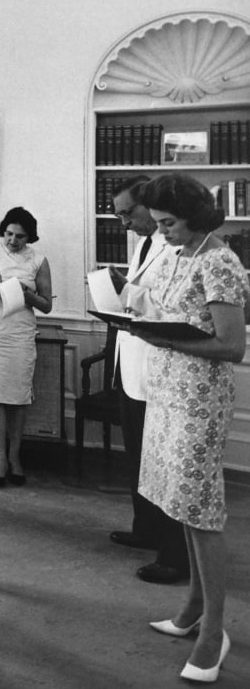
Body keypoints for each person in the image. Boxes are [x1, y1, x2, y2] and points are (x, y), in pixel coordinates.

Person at [129, 174, 247, 682]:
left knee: (200, 511)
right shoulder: (177, 254)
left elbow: (231, 346)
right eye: (156, 224)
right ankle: (194, 606)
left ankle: (214, 631)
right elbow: (169, 311)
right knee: (179, 501)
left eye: (168, 224)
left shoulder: (220, 261)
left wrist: (168, 341)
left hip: (199, 402)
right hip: (167, 394)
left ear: (194, 216)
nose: (161, 233)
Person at [105, 176, 190, 585]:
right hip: (132, 364)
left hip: (160, 367)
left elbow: (170, 305)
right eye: (118, 215)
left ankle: (173, 552)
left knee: (164, 463)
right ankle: (147, 529)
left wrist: (129, 294)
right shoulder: (142, 245)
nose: (124, 223)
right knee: (137, 455)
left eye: (129, 213)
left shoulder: (177, 244)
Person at [0, 207, 53, 488]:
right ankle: (0, 459)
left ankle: (15, 456)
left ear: (30, 237)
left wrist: (25, 293)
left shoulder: (38, 260)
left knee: (18, 393)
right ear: (2, 232)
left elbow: (47, 306)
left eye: (20, 237)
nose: (13, 241)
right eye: (9, 235)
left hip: (20, 329)